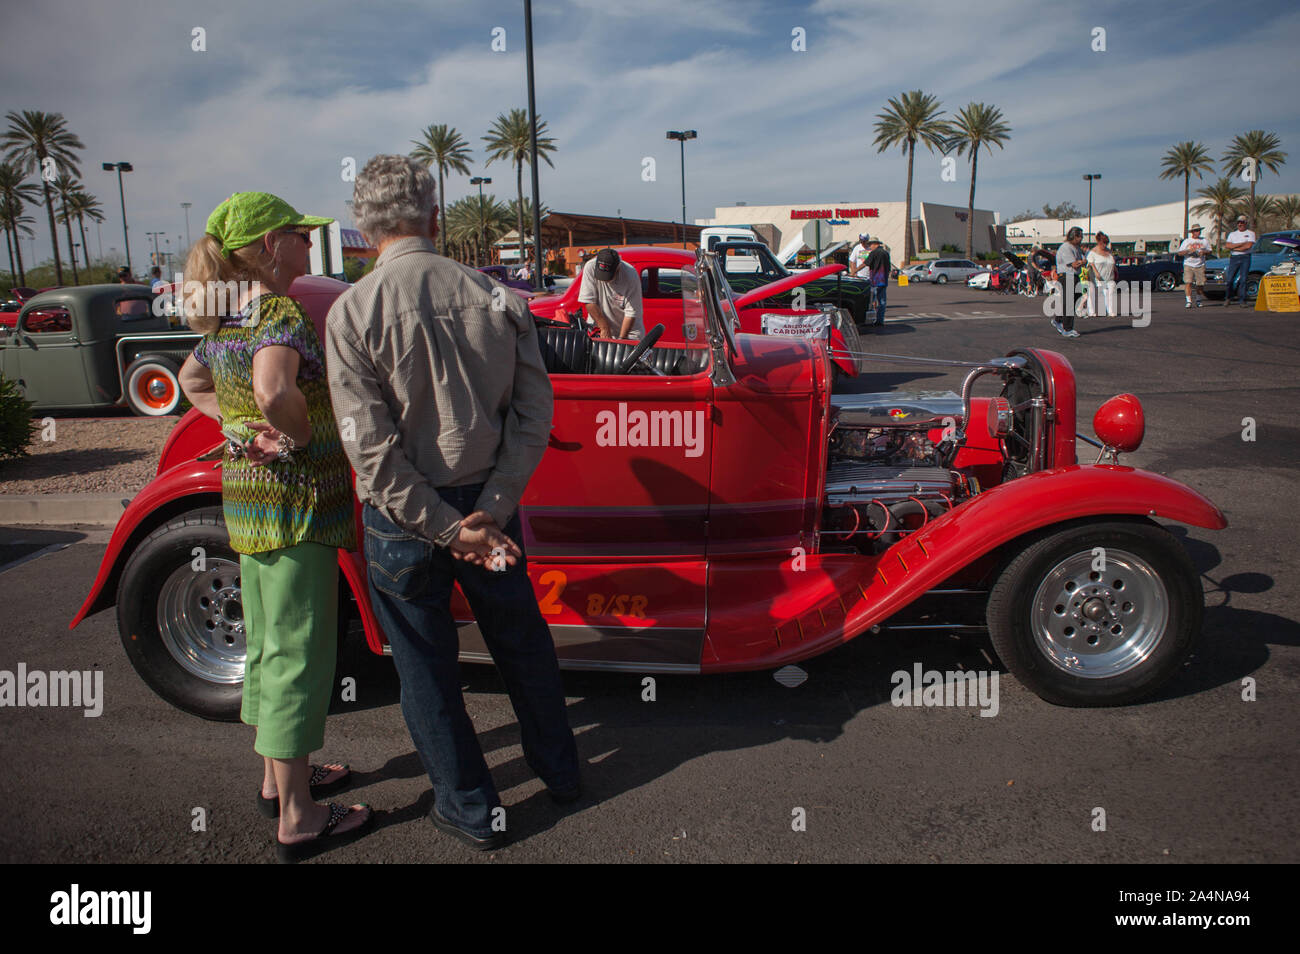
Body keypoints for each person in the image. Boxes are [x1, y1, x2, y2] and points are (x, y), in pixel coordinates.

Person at [326, 155, 580, 851]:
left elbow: (370, 450)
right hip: (487, 509)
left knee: (425, 667)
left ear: (363, 226)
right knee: (522, 642)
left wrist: (444, 528)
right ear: (435, 217)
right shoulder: (497, 298)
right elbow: (534, 413)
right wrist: (487, 513)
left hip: (405, 524)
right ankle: (561, 773)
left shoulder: (351, 313)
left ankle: (471, 809)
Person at [177, 192, 372, 863]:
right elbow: (273, 390)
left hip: (249, 507)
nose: (306, 244)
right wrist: (294, 436)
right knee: (298, 653)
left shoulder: (228, 312)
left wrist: (232, 428)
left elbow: (191, 380)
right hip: (297, 507)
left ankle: (277, 779)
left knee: (266, 646)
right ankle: (298, 816)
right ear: (267, 247)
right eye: (297, 234)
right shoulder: (277, 310)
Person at [578, 247, 644, 339]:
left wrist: (621, 340)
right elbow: (589, 302)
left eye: (608, 276)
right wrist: (604, 327)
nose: (605, 280)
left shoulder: (630, 275)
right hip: (599, 328)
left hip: (629, 331)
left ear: (618, 267)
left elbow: (630, 313)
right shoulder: (590, 267)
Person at [1053, 226, 1085, 338]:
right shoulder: (1066, 247)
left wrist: (1082, 261)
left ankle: (1058, 319)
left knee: (1077, 297)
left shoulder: (1076, 248)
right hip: (1066, 275)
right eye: (1080, 236)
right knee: (1069, 301)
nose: (1082, 238)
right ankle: (1067, 328)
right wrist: (1082, 261)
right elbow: (1074, 263)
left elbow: (1081, 261)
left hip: (1074, 275)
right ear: (1074, 236)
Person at [1223, 215, 1256, 307]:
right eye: (1239, 222)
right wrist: (1241, 244)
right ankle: (1228, 298)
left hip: (1245, 257)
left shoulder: (1251, 233)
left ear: (1246, 223)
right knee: (1229, 280)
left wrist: (1234, 247)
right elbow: (1228, 246)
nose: (1240, 224)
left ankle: (1242, 300)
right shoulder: (1232, 234)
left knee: (1243, 279)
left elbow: (1248, 246)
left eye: (1242, 222)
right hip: (1234, 258)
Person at [1178, 224, 1210, 308]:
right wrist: (1188, 251)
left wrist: (1204, 252)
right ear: (1192, 232)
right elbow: (1180, 253)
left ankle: (1198, 299)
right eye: (1196, 230)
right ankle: (1188, 301)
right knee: (1188, 282)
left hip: (1200, 264)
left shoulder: (1204, 241)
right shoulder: (1187, 241)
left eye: (1199, 230)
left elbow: (1209, 251)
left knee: (1200, 283)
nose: (1198, 232)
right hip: (1188, 264)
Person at [865, 237, 891, 328]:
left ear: (875, 244)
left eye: (870, 245)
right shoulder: (886, 253)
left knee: (871, 301)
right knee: (882, 301)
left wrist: (854, 271)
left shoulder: (874, 253)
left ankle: (870, 319)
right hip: (883, 280)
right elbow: (888, 267)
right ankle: (880, 320)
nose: (869, 247)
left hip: (875, 280)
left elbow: (866, 263)